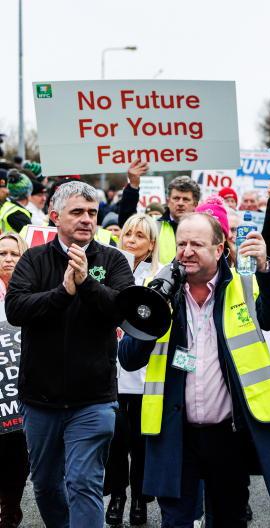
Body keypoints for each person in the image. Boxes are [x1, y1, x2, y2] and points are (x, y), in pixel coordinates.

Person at [118, 211, 270, 527]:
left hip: (227, 435)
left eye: (197, 244)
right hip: (175, 433)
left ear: (219, 250)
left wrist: (266, 269)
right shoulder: (160, 287)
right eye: (182, 243)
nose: (186, 251)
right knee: (175, 520)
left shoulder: (243, 284)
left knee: (229, 519)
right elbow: (130, 358)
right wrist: (154, 307)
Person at [6, 181, 135, 528]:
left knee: (83, 482)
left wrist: (88, 284)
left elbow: (123, 309)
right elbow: (16, 307)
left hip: (93, 401)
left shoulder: (112, 259)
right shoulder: (34, 259)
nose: (87, 220)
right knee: (46, 486)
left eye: (92, 213)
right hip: (40, 400)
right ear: (54, 217)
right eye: (77, 212)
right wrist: (63, 292)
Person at [104, 213, 161, 526]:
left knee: (140, 443)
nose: (131, 240)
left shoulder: (157, 278)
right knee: (114, 442)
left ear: (151, 244)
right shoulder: (107, 273)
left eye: (139, 236)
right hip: (109, 376)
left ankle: (139, 496)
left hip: (144, 378)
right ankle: (118, 495)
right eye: (127, 234)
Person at [118, 161, 201, 265]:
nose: (180, 203)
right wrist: (133, 186)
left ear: (195, 203)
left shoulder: (204, 230)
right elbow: (127, 222)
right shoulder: (155, 225)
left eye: (185, 199)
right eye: (176, 198)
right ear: (168, 200)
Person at [0, 232, 28, 528]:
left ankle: (10, 508)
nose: (8, 259)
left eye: (14, 253)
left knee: (17, 456)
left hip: (22, 393)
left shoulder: (31, 293)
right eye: (2, 253)